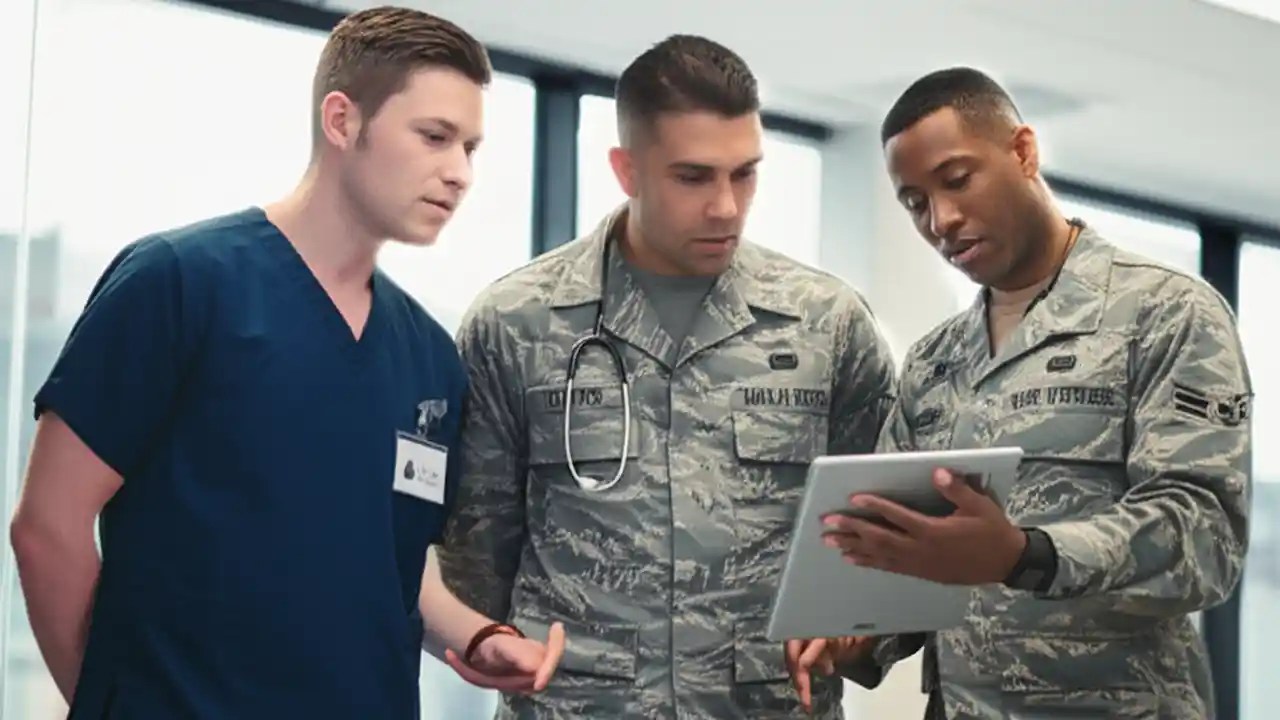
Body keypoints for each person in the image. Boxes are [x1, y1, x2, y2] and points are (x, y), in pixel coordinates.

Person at [8, 7, 564, 719]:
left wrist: (479, 635)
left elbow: (388, 563)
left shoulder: (428, 357)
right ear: (342, 121)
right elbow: (47, 525)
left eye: (471, 148)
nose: (458, 174)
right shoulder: (179, 283)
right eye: (433, 137)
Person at [436, 33, 897, 719]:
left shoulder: (826, 326)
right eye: (693, 177)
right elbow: (475, 565)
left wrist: (854, 635)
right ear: (626, 169)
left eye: (745, 173)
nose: (726, 206)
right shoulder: (518, 324)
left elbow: (886, 544)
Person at [785, 67, 1253, 719]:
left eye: (956, 181)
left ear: (1023, 152)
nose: (941, 220)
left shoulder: (1166, 314)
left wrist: (1024, 554)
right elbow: (899, 560)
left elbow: (1203, 540)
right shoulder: (934, 362)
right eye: (915, 203)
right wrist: (853, 631)